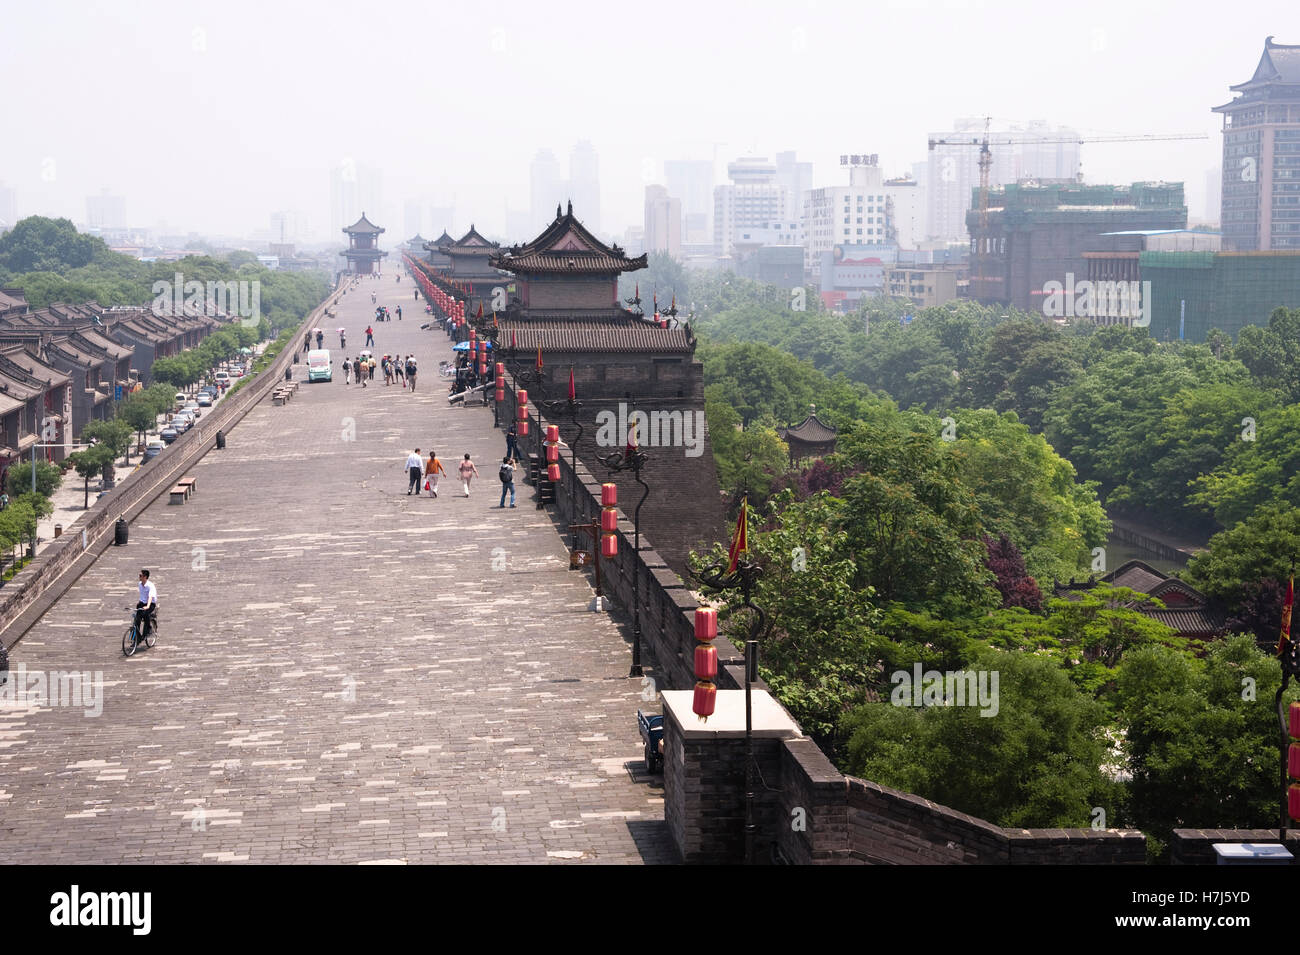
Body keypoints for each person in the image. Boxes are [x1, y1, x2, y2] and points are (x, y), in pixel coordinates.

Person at [135, 568, 158, 639]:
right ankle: (137, 638)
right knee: (137, 619)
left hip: (150, 604)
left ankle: (149, 629)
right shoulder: (140, 584)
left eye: (140, 575)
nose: (139, 577)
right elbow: (142, 595)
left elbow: (150, 597)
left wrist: (147, 606)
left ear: (145, 577)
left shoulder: (150, 586)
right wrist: (139, 603)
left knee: (145, 614)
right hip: (143, 603)